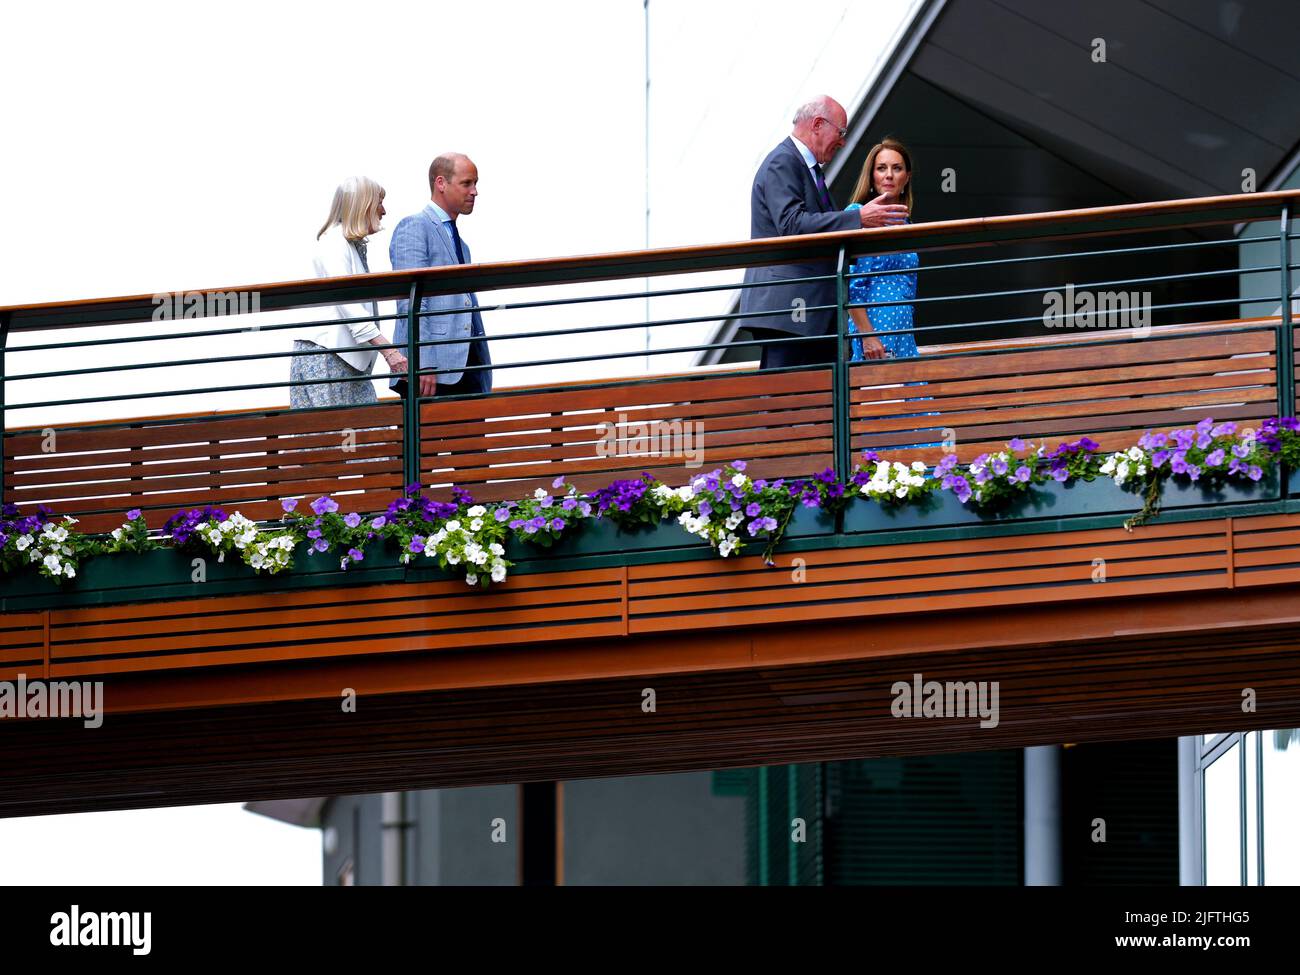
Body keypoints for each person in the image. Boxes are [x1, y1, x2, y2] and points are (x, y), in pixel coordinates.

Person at [738, 96, 908, 370]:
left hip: (809, 312)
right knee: (786, 401)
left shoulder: (804, 168)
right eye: (840, 133)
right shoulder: (783, 162)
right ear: (817, 124)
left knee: (816, 402)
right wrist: (858, 218)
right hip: (790, 309)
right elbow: (791, 224)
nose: (842, 142)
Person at [291, 176, 408, 408]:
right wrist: (390, 352)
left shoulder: (347, 245)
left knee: (366, 434)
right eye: (379, 202)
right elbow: (350, 306)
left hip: (345, 361)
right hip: (327, 359)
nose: (383, 211)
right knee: (330, 438)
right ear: (362, 205)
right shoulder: (334, 244)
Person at [389, 153, 493, 399]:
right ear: (441, 183)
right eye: (467, 183)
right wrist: (422, 362)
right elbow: (410, 301)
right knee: (427, 437)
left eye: (475, 184)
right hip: (432, 373)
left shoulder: (462, 244)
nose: (474, 191)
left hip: (467, 368)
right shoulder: (414, 227)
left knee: (472, 437)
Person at [845, 138, 919, 362]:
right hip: (876, 328)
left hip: (904, 330)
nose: (889, 175)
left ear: (906, 178)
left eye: (897, 168)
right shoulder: (858, 213)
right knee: (884, 395)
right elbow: (852, 284)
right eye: (881, 168)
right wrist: (868, 336)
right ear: (872, 176)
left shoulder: (907, 226)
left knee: (914, 396)